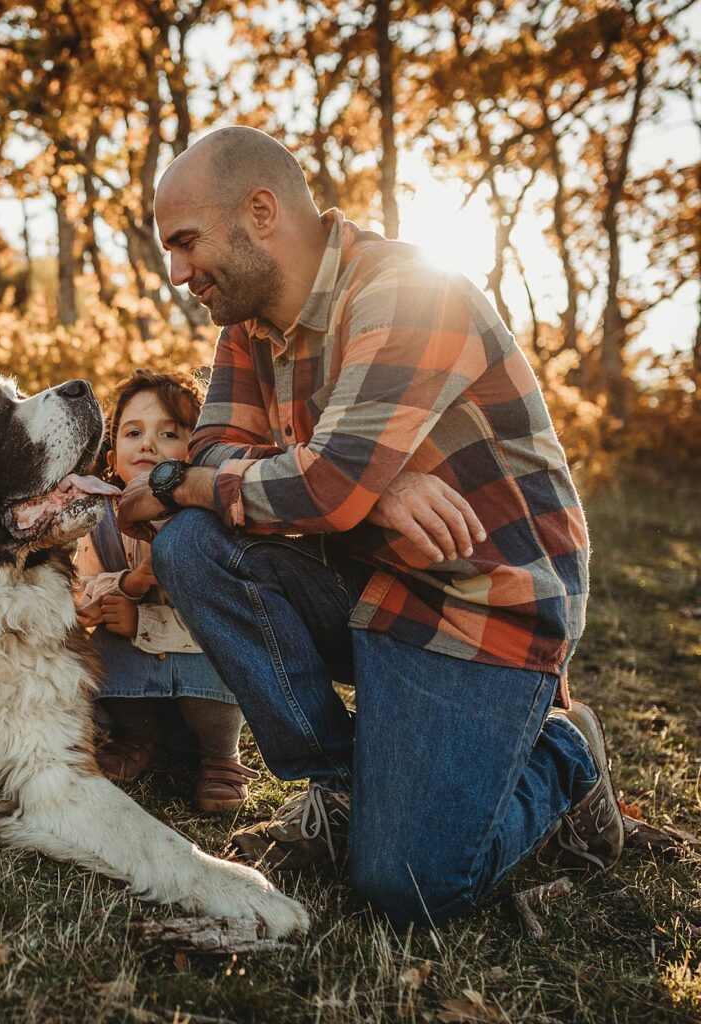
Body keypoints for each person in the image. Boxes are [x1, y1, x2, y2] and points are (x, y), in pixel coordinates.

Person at [116, 125, 620, 928]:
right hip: (367, 573)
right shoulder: (246, 328)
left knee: (408, 890)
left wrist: (340, 482)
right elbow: (219, 449)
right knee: (192, 545)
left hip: (484, 605)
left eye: (185, 242)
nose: (178, 273)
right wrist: (366, 487)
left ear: (259, 211)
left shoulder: (403, 290)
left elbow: (309, 487)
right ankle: (349, 787)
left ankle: (566, 758)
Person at [73, 369, 257, 811]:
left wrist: (145, 619)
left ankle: (220, 757)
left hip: (202, 684)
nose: (147, 444)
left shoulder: (210, 525)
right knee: (104, 648)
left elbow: (230, 614)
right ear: (113, 448)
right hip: (138, 694)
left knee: (223, 651)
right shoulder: (99, 521)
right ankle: (138, 737)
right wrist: (129, 585)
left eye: (168, 433)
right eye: (133, 432)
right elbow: (80, 597)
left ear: (195, 449)